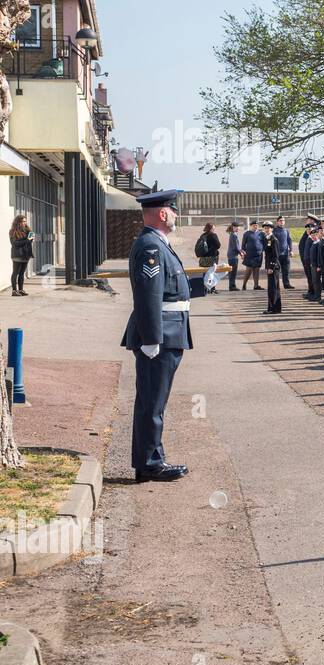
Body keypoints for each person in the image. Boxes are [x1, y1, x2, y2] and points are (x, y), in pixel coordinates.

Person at [120, 189, 198, 483]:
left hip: (168, 331)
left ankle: (152, 458)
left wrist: (204, 282)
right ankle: (150, 464)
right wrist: (151, 338)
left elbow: (170, 288)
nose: (176, 215)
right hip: (161, 335)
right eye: (173, 210)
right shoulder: (151, 246)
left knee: (155, 402)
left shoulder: (157, 244)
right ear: (163, 214)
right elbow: (148, 295)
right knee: (152, 403)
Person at [261, 221, 282, 314]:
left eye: (268, 228)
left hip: (273, 267)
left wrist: (271, 267)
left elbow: (275, 255)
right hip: (270, 266)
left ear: (272, 229)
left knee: (273, 288)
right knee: (272, 288)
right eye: (265, 228)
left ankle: (274, 309)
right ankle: (274, 308)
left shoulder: (274, 240)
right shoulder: (268, 239)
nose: (266, 230)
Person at [10, 214, 34, 295]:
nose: (25, 223)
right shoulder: (13, 231)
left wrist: (31, 238)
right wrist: (27, 240)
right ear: (18, 222)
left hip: (25, 254)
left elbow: (29, 241)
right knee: (15, 273)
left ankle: (20, 290)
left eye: (25, 221)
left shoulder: (27, 230)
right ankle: (14, 291)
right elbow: (15, 244)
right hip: (17, 255)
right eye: (23, 221)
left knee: (22, 273)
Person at [240, 220, 265, 289]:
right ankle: (244, 284)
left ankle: (256, 285)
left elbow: (264, 243)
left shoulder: (261, 234)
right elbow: (243, 245)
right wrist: (243, 253)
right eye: (254, 225)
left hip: (258, 255)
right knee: (249, 270)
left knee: (256, 270)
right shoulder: (247, 234)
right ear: (251, 226)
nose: (255, 226)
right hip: (249, 255)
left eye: (256, 225)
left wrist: (263, 250)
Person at [272, 215, 293, 289]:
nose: (282, 222)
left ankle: (286, 284)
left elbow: (289, 240)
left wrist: (291, 250)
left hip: (285, 254)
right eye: (280, 220)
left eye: (283, 220)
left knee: (286, 270)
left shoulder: (286, 230)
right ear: (277, 222)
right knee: (276, 271)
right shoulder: (274, 230)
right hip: (277, 254)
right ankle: (276, 285)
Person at [225, 222, 241, 291]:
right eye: (236, 227)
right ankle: (232, 286)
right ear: (233, 227)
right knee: (233, 271)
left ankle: (232, 285)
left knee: (232, 271)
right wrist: (241, 253)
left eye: (238, 227)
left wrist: (241, 251)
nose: (238, 228)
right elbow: (236, 247)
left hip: (232, 255)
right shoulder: (233, 235)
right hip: (233, 255)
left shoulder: (233, 234)